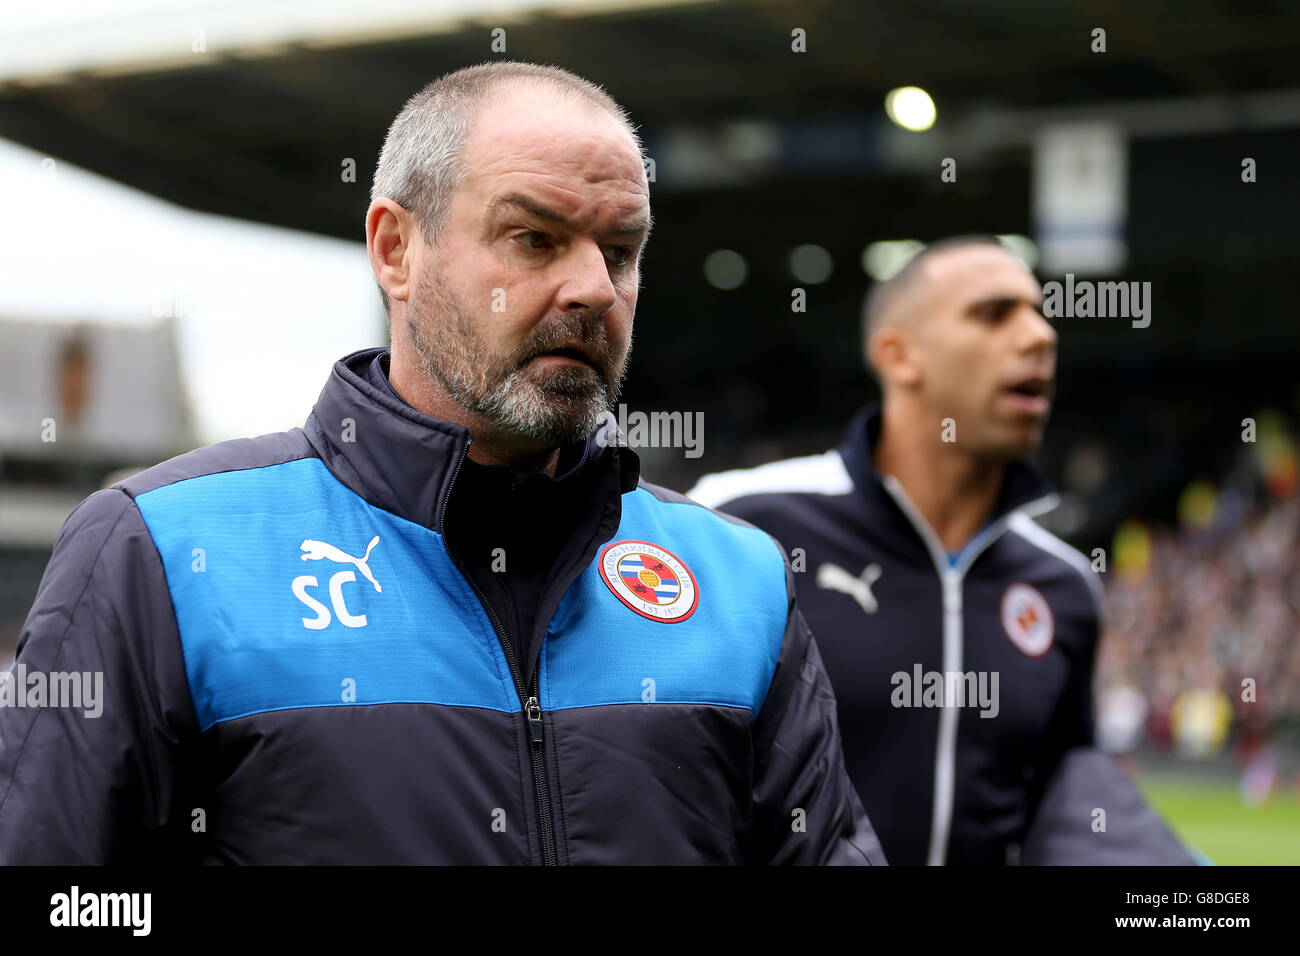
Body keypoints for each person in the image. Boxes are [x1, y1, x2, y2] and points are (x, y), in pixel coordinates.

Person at [0, 61, 882, 866]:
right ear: (396, 250)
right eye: (534, 238)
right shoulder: (161, 549)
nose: (593, 290)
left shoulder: (736, 578)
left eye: (620, 252)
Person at [690, 236, 1105, 865]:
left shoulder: (1064, 586)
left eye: (1039, 310)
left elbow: (1066, 822)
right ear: (899, 354)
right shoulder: (737, 523)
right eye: (994, 314)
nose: (1039, 335)